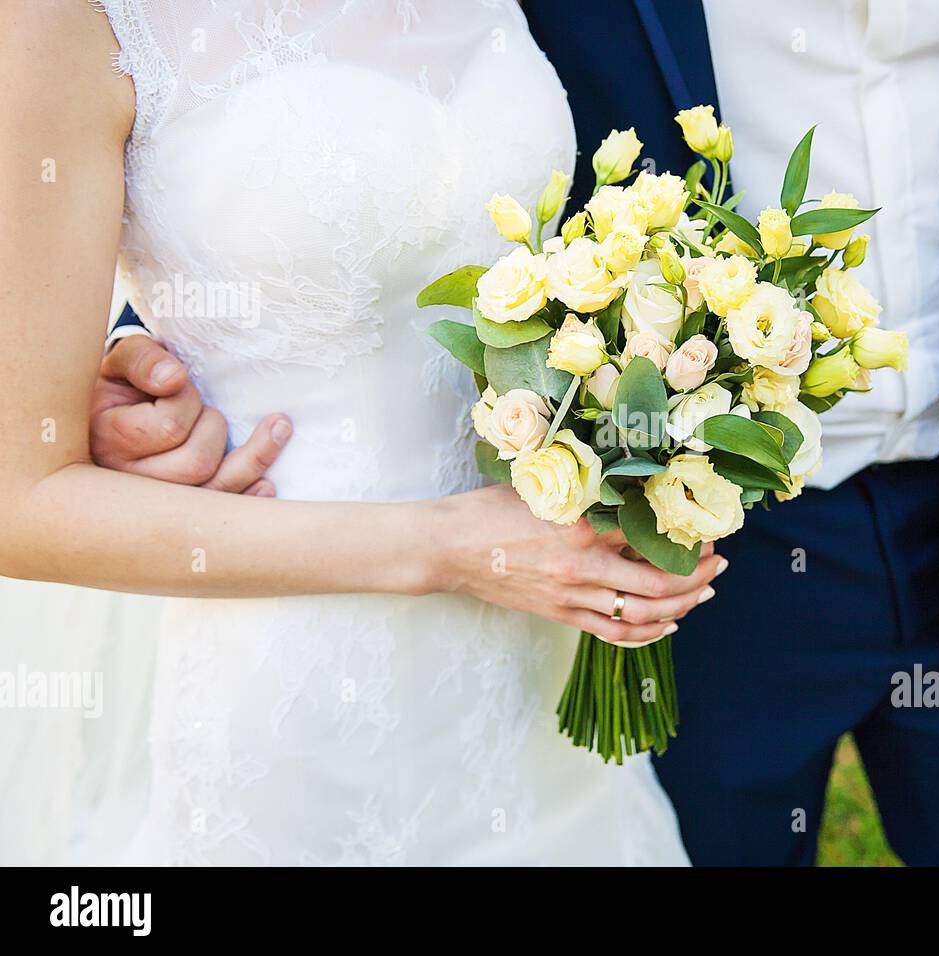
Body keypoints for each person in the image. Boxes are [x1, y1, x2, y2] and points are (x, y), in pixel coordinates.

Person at [0, 0, 730, 865]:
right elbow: (21, 498)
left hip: (544, 656)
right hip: (279, 702)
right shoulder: (64, 21)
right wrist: (450, 548)